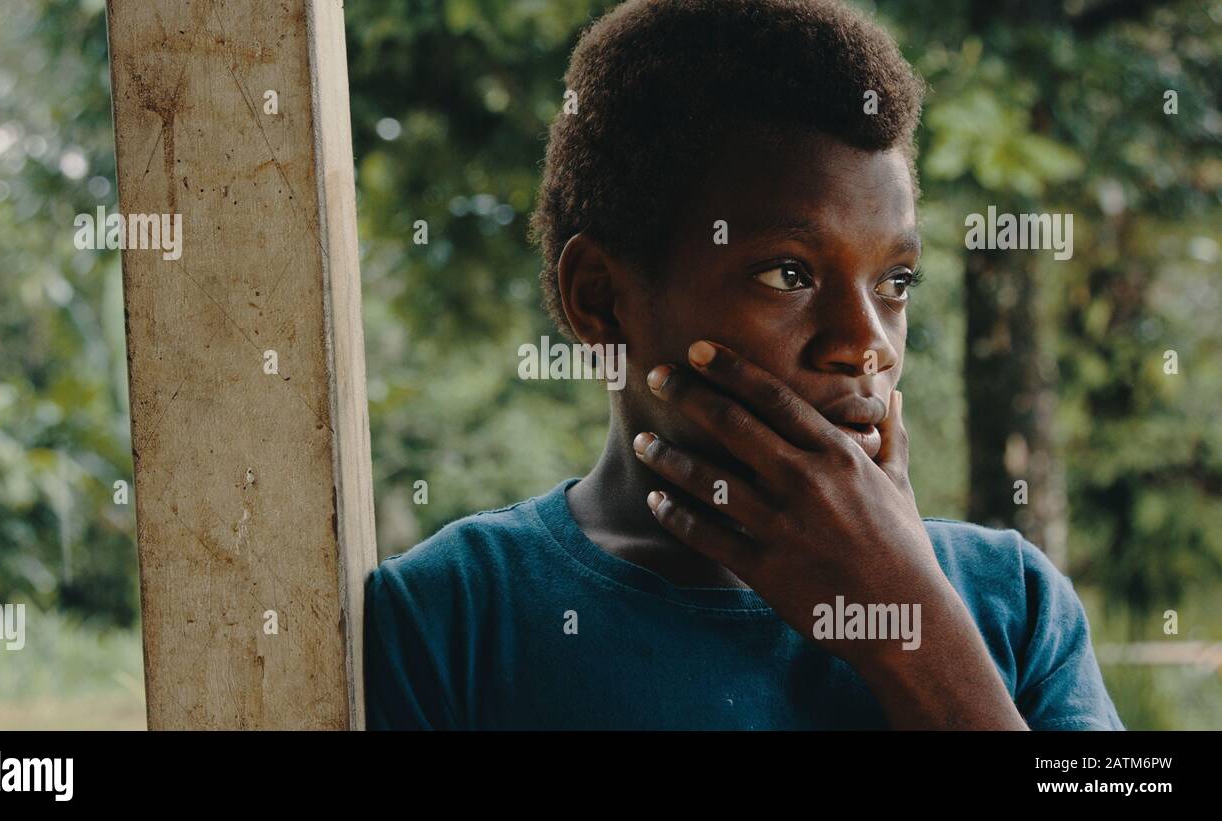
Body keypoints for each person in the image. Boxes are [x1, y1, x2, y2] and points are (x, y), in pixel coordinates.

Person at [363, 0, 1124, 730]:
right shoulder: (451, 618)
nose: (869, 345)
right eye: (788, 274)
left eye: (895, 283)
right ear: (601, 302)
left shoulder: (1011, 603)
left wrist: (912, 634)